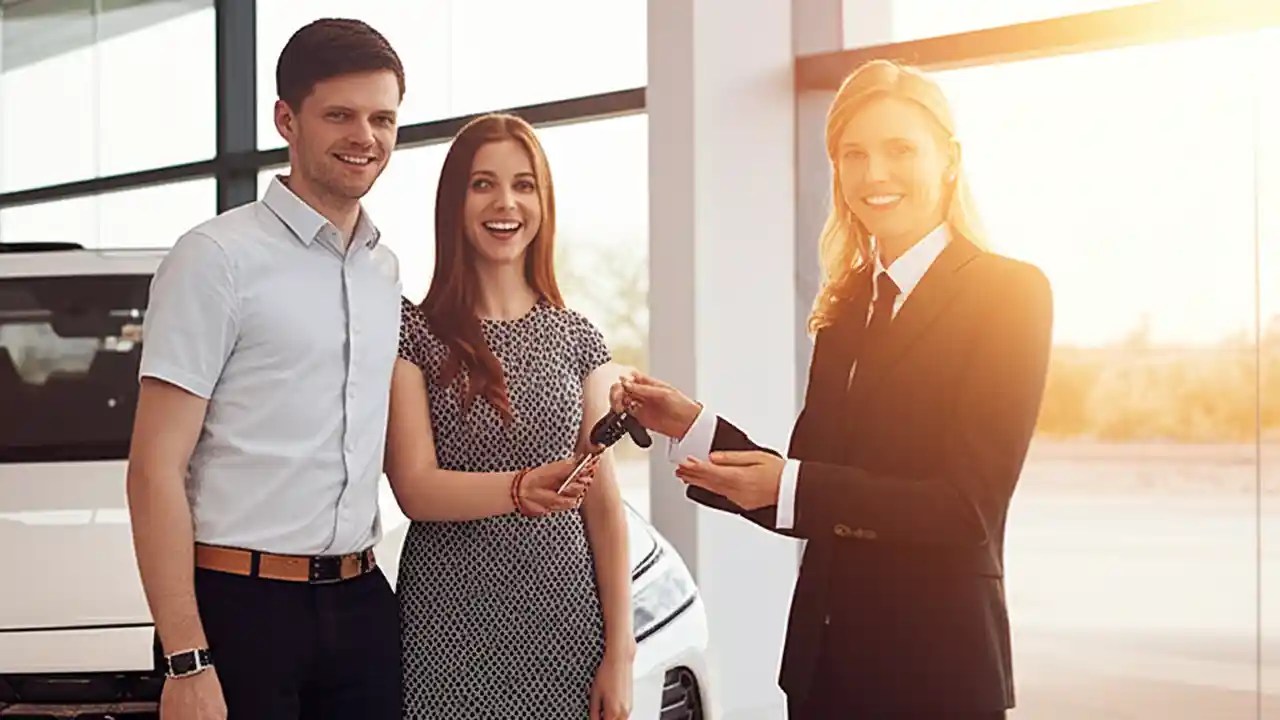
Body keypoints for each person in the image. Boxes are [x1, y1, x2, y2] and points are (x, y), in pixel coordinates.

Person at [612, 59, 1054, 718]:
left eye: (900, 149)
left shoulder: (1010, 294)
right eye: (854, 155)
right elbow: (803, 489)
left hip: (937, 676)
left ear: (950, 160)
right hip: (826, 674)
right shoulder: (847, 304)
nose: (874, 174)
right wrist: (693, 426)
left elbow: (967, 510)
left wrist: (792, 485)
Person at [126, 19, 410, 720]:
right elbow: (154, 467)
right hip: (242, 608)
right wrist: (186, 658)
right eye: (339, 115)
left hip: (361, 600)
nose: (364, 137)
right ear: (287, 118)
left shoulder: (384, 270)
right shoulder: (215, 258)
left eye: (382, 118)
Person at [385, 112, 635, 720]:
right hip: (446, 625)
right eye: (483, 184)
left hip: (565, 620)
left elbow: (602, 501)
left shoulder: (579, 339)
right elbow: (414, 488)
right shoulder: (410, 334)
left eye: (524, 185)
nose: (506, 202)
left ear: (543, 202)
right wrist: (520, 490)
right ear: (454, 202)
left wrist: (620, 651)